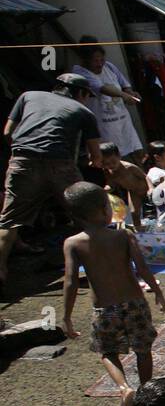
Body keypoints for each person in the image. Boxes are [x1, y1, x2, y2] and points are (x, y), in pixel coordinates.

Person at [60, 182, 165, 406]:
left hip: (105, 310)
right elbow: (142, 267)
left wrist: (66, 316)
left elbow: (70, 282)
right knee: (143, 350)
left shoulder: (73, 243)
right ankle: (145, 391)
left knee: (107, 352)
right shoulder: (123, 235)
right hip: (135, 304)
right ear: (103, 210)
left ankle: (123, 387)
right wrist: (156, 291)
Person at [0, 73, 101, 294]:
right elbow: (96, 156)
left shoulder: (28, 96)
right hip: (61, 163)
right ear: (81, 93)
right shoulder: (83, 112)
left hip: (23, 160)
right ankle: (97, 269)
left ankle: (1, 271)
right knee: (84, 214)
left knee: (9, 220)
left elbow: (8, 132)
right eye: (87, 95)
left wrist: (25, 152)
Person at [71, 40, 142, 159]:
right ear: (85, 60)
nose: (100, 64)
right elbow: (102, 88)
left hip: (123, 122)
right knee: (113, 159)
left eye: (101, 60)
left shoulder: (109, 66)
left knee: (137, 153)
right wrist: (124, 96)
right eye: (95, 61)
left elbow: (124, 84)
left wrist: (131, 93)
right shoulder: (79, 72)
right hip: (104, 127)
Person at [99, 142, 150, 228]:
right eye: (106, 163)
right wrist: (105, 190)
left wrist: (151, 189)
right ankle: (139, 232)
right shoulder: (107, 171)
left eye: (113, 161)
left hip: (145, 188)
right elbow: (111, 184)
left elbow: (145, 177)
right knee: (134, 213)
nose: (111, 165)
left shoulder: (128, 167)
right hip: (133, 192)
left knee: (159, 206)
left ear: (119, 156)